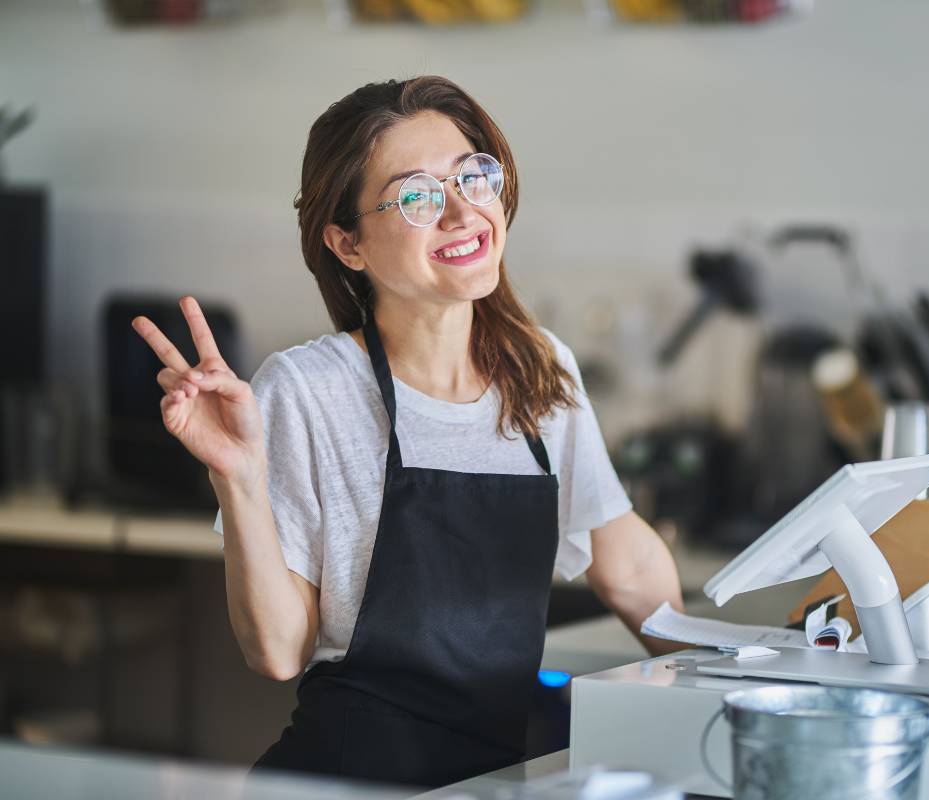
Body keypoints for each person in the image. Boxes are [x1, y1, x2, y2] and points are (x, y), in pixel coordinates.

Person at [131, 76, 684, 788]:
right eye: (418, 195)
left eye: (472, 177)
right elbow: (276, 650)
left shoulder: (539, 372)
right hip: (343, 781)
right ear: (347, 244)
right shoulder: (308, 390)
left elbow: (629, 567)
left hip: (489, 783)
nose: (461, 211)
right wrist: (237, 480)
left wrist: (739, 679)